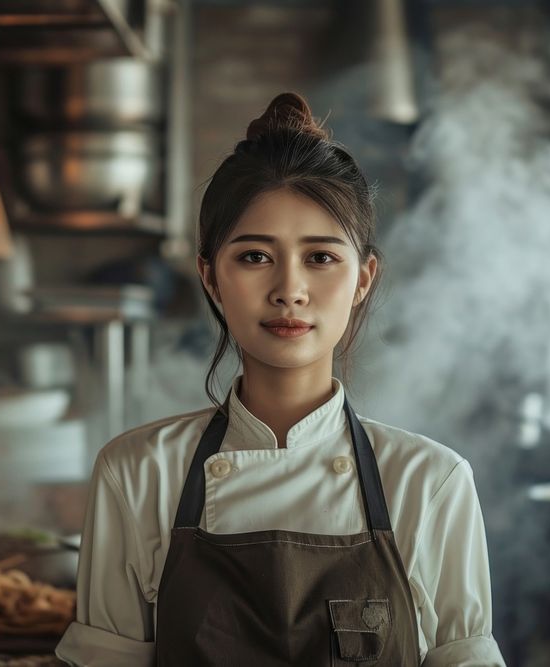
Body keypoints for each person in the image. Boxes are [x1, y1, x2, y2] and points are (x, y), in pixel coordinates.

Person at [56, 92, 506, 667]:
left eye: (320, 258)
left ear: (363, 279)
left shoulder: (432, 482)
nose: (289, 289)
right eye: (253, 257)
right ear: (210, 278)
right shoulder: (136, 473)